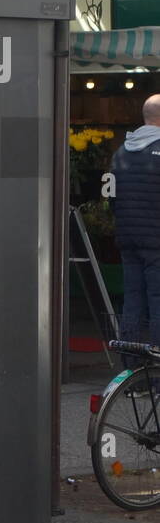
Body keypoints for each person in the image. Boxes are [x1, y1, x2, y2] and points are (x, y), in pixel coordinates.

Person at [112, 94, 160, 358]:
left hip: (127, 239)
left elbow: (112, 198)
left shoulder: (122, 151)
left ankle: (130, 369)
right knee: (157, 303)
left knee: (132, 302)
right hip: (156, 240)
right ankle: (156, 372)